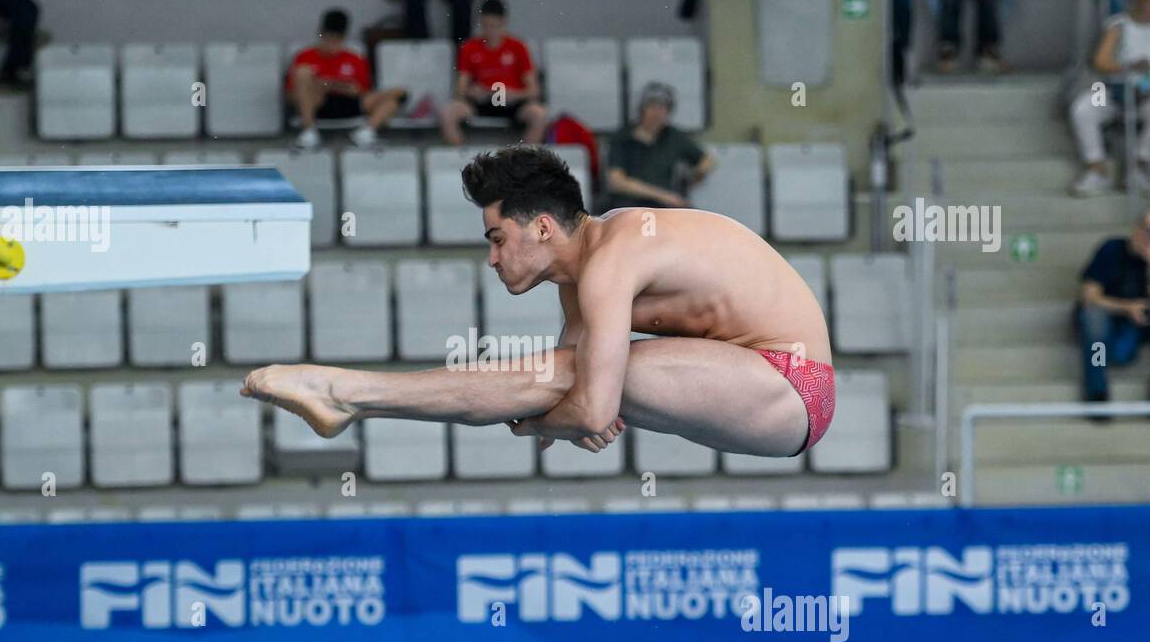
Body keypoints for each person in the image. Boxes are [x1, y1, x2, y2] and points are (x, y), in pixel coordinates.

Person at [241, 146, 835, 462]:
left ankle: (347, 393)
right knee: (565, 374)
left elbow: (588, 410)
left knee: (569, 376)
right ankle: (347, 396)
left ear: (544, 227)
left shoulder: (612, 261)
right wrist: (568, 416)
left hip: (792, 386)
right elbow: (572, 405)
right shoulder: (584, 280)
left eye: (498, 239)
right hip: (754, 389)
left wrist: (554, 419)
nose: (493, 259)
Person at [1069, 0, 1150, 197]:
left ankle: (1139, 168)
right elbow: (1100, 62)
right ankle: (1097, 168)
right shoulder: (1118, 25)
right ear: (1139, 0)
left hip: (1145, 94)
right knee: (1084, 109)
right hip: (1109, 88)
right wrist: (1130, 65)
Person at [286, 9, 408, 150]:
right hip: (318, 104)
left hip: (350, 102)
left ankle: (366, 132)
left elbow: (362, 91)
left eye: (337, 40)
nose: (332, 44)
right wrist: (320, 85)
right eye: (328, 39)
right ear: (321, 35)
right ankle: (308, 131)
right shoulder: (305, 56)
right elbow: (291, 95)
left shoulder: (354, 58)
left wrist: (333, 84)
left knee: (399, 93)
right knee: (303, 73)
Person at [440, 0, 547, 147]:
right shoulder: (469, 48)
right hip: (481, 102)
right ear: (480, 23)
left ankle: (523, 160)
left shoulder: (518, 47)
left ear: (504, 23)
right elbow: (460, 89)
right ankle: (462, 160)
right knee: (447, 112)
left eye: (495, 26)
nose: (490, 31)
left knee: (539, 114)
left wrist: (514, 94)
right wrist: (472, 92)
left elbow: (534, 90)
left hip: (512, 103)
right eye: (486, 25)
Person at [1076, 216, 1150, 412]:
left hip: (1135, 326)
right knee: (1094, 323)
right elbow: (1089, 297)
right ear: (1137, 228)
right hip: (1104, 321)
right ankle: (1097, 393)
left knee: (1120, 353)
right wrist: (1127, 307)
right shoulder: (1112, 249)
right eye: (1147, 230)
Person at [604, 82, 714, 212]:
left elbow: (706, 160)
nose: (657, 113)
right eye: (652, 106)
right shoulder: (622, 137)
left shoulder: (673, 136)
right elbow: (617, 182)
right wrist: (664, 196)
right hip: (629, 207)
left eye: (662, 108)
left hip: (664, 208)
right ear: (642, 109)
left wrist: (694, 176)